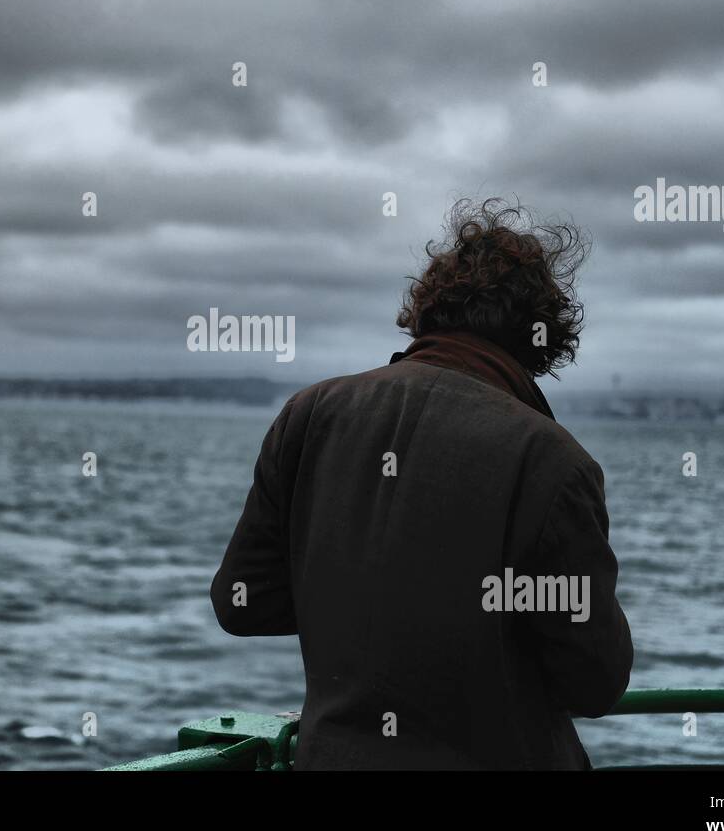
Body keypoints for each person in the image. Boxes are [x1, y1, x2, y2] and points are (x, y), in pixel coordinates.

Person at [210, 197, 633, 769]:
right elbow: (595, 682)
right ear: (542, 341)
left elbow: (243, 602)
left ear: (428, 313)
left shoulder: (309, 414)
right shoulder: (554, 462)